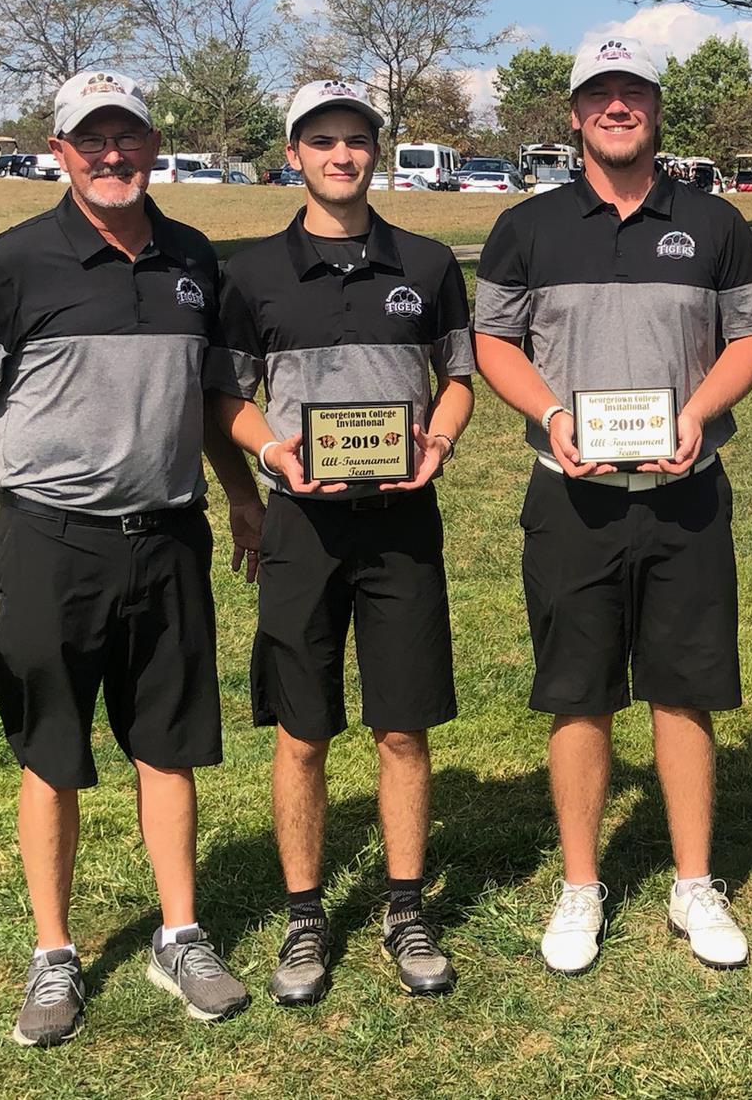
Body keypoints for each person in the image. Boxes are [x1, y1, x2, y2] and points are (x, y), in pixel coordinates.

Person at [0, 69, 318, 1046]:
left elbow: (204, 396)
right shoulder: (13, 262)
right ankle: (54, 953)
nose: (110, 154)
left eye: (126, 136)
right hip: (50, 540)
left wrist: (239, 493)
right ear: (58, 151)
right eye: (90, 139)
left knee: (167, 745)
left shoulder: (192, 257)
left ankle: (180, 935)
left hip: (169, 536)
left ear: (151, 146)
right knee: (52, 752)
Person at [473, 36, 752, 975]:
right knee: (579, 692)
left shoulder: (715, 221)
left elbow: (751, 336)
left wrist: (699, 411)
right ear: (574, 115)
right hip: (572, 497)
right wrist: (551, 414)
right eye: (599, 94)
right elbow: (493, 341)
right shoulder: (527, 225)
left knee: (685, 690)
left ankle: (694, 882)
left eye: (632, 91)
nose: (616, 106)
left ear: (655, 107)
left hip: (686, 494)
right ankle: (580, 884)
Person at [207, 80, 475, 1002]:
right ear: (293, 155)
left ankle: (405, 907)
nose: (340, 155)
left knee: (403, 724)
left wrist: (438, 442)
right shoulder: (252, 275)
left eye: (355, 139)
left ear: (376, 152)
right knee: (302, 729)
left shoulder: (428, 263)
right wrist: (272, 451)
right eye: (320, 140)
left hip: (401, 520)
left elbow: (459, 376)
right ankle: (305, 916)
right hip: (302, 525)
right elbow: (226, 398)